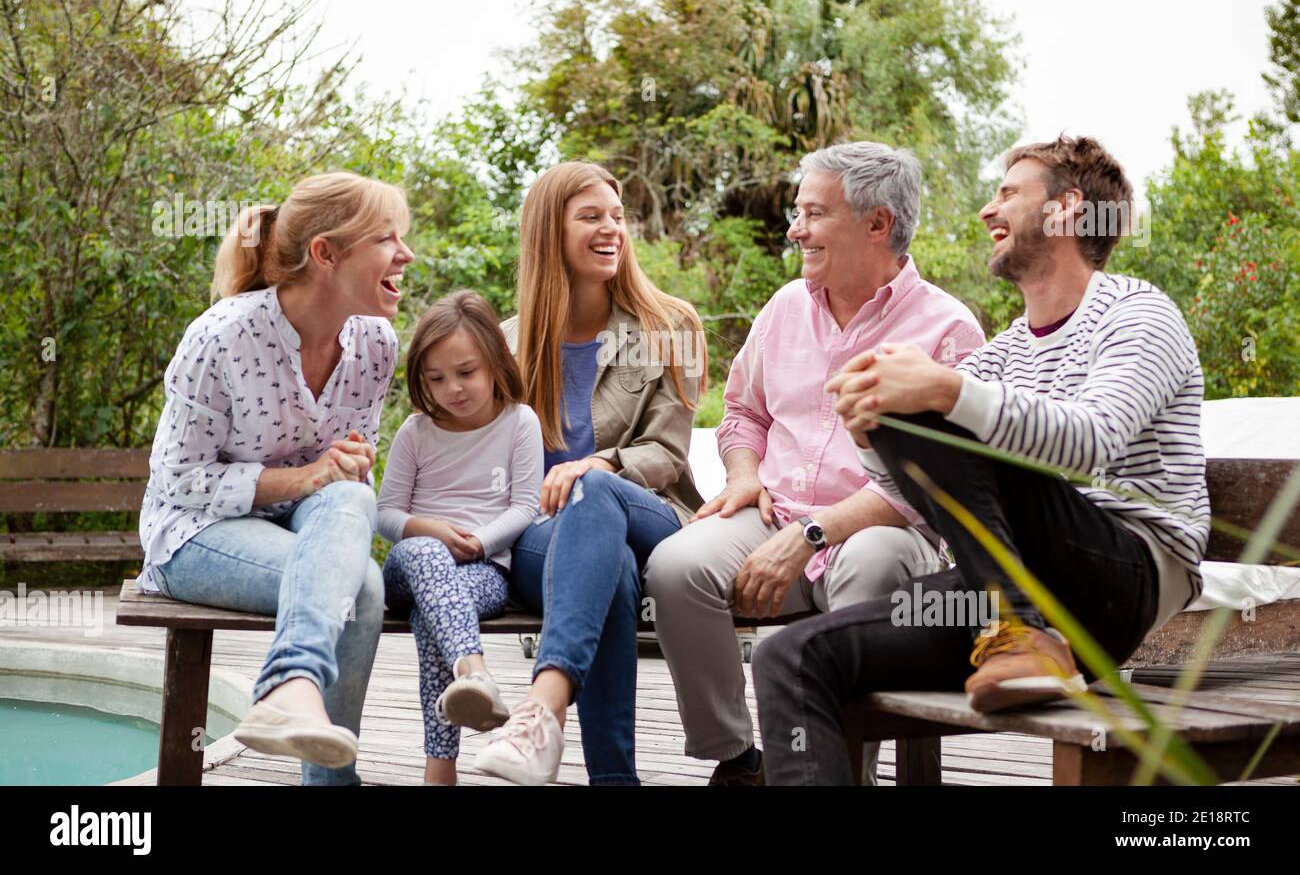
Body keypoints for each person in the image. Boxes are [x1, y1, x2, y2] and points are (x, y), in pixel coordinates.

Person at [753, 135, 1209, 785]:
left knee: (922, 399)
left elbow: (1092, 442)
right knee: (789, 655)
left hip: (1122, 578)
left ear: (1065, 210)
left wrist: (941, 391)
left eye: (1007, 194)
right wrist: (868, 432)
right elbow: (927, 494)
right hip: (1012, 587)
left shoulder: (1138, 314)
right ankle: (1015, 627)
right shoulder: (1004, 353)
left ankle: (1019, 628)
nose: (986, 212)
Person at [645, 141, 986, 785]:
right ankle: (737, 760)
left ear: (877, 224)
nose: (795, 229)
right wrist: (744, 475)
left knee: (874, 560)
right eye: (797, 213)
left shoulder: (948, 330)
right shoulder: (783, 308)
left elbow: (938, 479)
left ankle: (839, 769)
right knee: (675, 567)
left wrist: (814, 534)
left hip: (879, 529)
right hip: (773, 516)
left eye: (813, 213)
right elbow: (744, 411)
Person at [138, 171, 413, 784]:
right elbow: (179, 480)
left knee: (348, 495)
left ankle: (292, 685)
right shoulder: (221, 335)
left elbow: (350, 459)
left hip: (307, 525)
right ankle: (325, 765)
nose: (406, 253)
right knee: (362, 588)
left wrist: (347, 466)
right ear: (326, 254)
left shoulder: (376, 343)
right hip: (195, 532)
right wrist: (308, 478)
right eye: (386, 239)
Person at [473, 161, 707, 786]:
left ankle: (541, 708)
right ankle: (614, 780)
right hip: (544, 538)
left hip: (645, 512)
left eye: (617, 216)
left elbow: (668, 454)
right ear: (550, 232)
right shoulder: (506, 345)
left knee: (596, 492)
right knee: (616, 576)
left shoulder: (668, 326)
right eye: (591, 217)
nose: (611, 230)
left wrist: (598, 462)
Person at [376, 290, 543, 785]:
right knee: (429, 559)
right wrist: (430, 530)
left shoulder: (519, 422)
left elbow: (525, 506)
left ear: (494, 360)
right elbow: (384, 514)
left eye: (466, 372)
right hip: (409, 568)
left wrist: (481, 542)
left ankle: (439, 769)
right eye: (437, 378)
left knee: (438, 614)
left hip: (486, 572)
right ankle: (474, 673)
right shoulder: (416, 432)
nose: (453, 388)